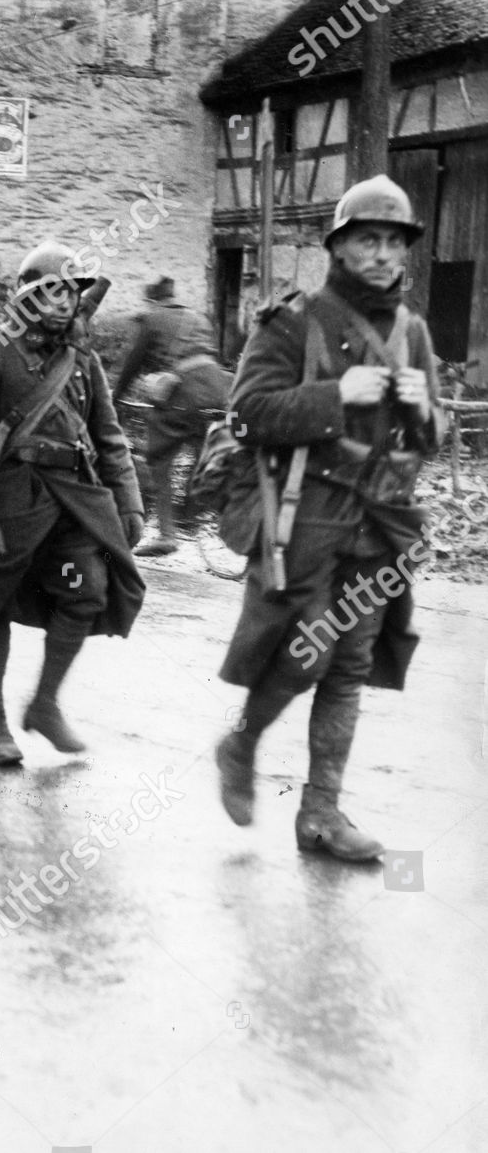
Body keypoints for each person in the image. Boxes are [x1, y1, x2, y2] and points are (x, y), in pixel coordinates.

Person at [215, 175, 444, 862]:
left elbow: (432, 437)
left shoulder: (413, 331)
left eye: (394, 242)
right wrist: (334, 395)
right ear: (338, 247)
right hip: (305, 515)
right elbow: (246, 414)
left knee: (349, 665)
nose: (383, 254)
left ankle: (320, 813)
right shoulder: (294, 321)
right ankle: (241, 743)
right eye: (368, 240)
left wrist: (422, 410)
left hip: (381, 521)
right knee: (308, 652)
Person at [0, 242, 145, 765]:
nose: (63, 303)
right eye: (51, 292)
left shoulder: (81, 357)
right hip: (8, 502)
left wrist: (128, 502)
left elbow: (109, 435)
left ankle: (45, 704)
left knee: (87, 589)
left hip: (72, 502)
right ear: (26, 297)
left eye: (71, 294)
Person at [114, 276, 234, 556]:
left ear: (152, 300)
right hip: (218, 389)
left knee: (159, 459)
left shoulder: (152, 318)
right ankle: (191, 514)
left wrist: (115, 397)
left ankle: (167, 535)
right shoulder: (198, 317)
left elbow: (133, 363)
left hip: (183, 393)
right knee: (203, 452)